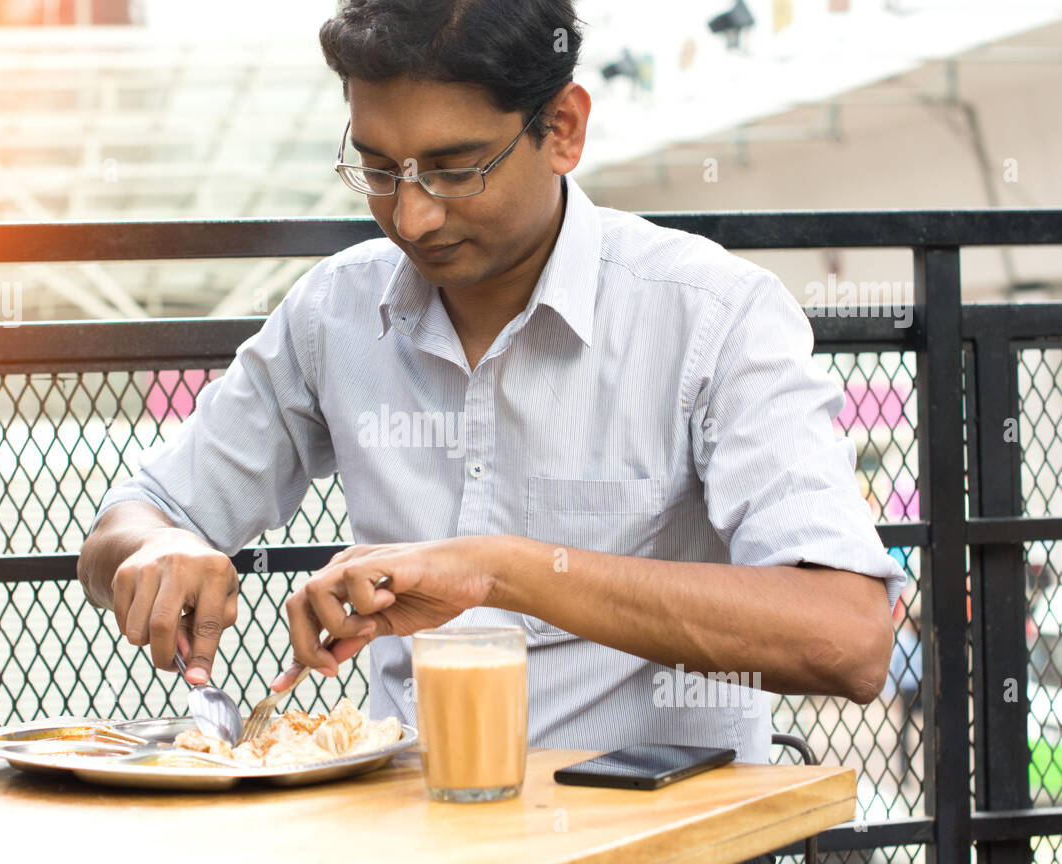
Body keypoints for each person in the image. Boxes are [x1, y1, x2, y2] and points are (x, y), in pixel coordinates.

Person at [77, 0, 907, 766]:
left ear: (564, 129)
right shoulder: (335, 313)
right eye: (377, 169)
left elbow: (847, 637)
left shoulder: (712, 317)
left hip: (648, 842)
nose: (412, 217)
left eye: (455, 169)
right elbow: (130, 520)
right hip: (406, 834)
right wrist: (161, 546)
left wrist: (503, 571)